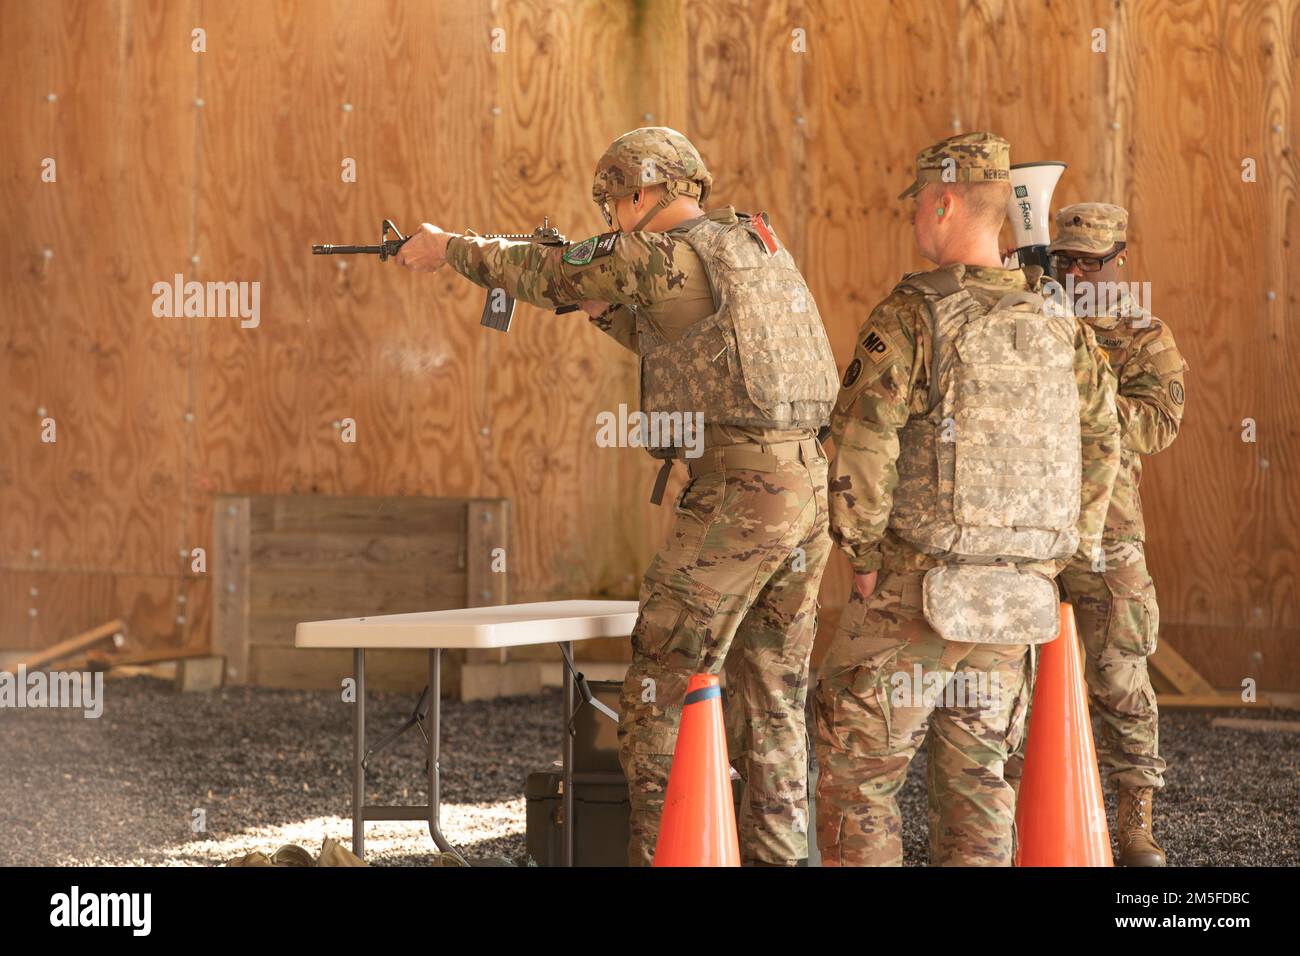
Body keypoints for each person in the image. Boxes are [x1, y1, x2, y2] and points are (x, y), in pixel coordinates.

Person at [394, 127, 840, 865]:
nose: (609, 217)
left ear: (641, 190)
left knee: (658, 688)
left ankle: (662, 855)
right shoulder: (749, 246)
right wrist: (604, 309)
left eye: (611, 200)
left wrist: (448, 247)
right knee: (773, 697)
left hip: (739, 496)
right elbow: (689, 343)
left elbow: (546, 275)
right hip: (803, 491)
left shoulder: (651, 252)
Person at [814, 132, 1120, 866]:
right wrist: (1068, 548)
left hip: (918, 589)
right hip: (1016, 598)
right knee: (979, 783)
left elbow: (863, 437)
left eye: (920, 204)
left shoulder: (913, 314)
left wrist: (859, 551)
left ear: (945, 202)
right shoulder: (1059, 322)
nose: (915, 219)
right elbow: (1104, 437)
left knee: (858, 773)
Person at [1006, 202, 1186, 866]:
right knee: (1010, 675)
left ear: (1120, 263)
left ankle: (1134, 825)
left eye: (1091, 261)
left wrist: (1083, 392)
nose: (1077, 272)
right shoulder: (1027, 319)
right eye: (1066, 260)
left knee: (1120, 673)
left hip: (1106, 528)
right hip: (1026, 522)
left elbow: (1156, 426)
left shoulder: (1144, 333)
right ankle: (1017, 816)